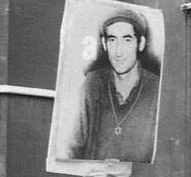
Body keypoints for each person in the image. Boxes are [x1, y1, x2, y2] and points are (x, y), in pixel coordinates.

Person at [67, 10, 160, 163]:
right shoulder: (93, 82)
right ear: (104, 44)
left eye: (127, 40)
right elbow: (73, 147)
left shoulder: (156, 88)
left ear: (140, 43)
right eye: (112, 40)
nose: (118, 51)